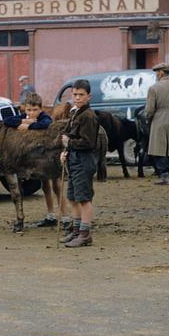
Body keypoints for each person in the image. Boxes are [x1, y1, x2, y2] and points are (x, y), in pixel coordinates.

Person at [3, 92, 63, 227]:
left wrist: (29, 126)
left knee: (57, 185)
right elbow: (7, 121)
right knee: (45, 186)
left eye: (35, 110)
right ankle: (51, 215)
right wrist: (23, 121)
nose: (31, 113)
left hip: (50, 154)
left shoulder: (44, 117)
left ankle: (64, 216)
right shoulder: (24, 117)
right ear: (25, 108)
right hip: (38, 157)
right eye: (29, 110)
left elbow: (47, 123)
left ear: (40, 109)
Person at [59, 79, 99, 247]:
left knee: (84, 199)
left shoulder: (88, 116)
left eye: (81, 95)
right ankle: (76, 231)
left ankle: (85, 234)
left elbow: (88, 142)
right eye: (75, 94)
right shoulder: (76, 113)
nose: (77, 98)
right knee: (73, 197)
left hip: (83, 160)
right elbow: (70, 136)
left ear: (89, 96)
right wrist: (65, 151)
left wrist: (69, 143)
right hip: (74, 159)